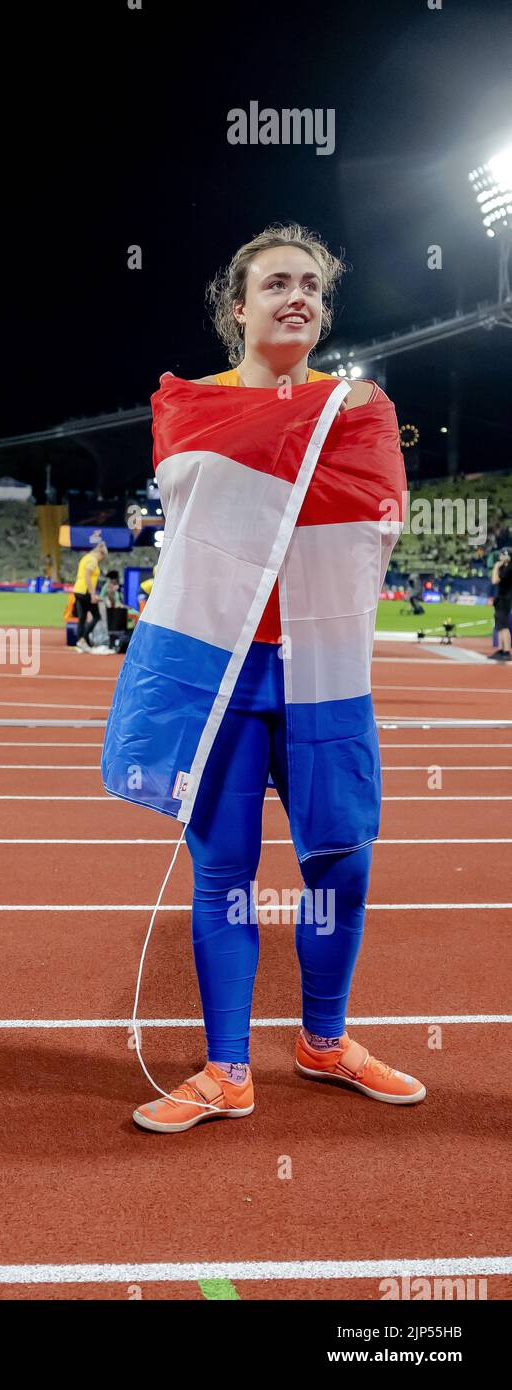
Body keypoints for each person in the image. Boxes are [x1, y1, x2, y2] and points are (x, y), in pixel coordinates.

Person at [102, 224, 425, 1134]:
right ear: (236, 307)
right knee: (226, 871)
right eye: (277, 283)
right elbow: (205, 520)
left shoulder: (357, 407)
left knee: (341, 859)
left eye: (313, 288)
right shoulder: (186, 405)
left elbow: (374, 520)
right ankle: (227, 1067)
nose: (297, 298)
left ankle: (324, 1041)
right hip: (222, 669)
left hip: (321, 666)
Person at [72, 537, 107, 651]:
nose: (101, 559)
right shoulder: (92, 560)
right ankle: (84, 638)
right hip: (85, 591)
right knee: (96, 616)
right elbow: (87, 575)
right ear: (99, 553)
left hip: (78, 589)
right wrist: (93, 594)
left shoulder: (86, 557)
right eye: (102, 556)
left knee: (82, 617)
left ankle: (81, 640)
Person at [488, 551, 512, 660]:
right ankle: (501, 650)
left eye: (502, 555)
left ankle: (506, 651)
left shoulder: (509, 568)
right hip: (500, 599)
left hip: (504, 600)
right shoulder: (504, 568)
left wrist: (496, 567)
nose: (500, 557)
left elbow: (494, 580)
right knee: (499, 625)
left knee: (504, 626)